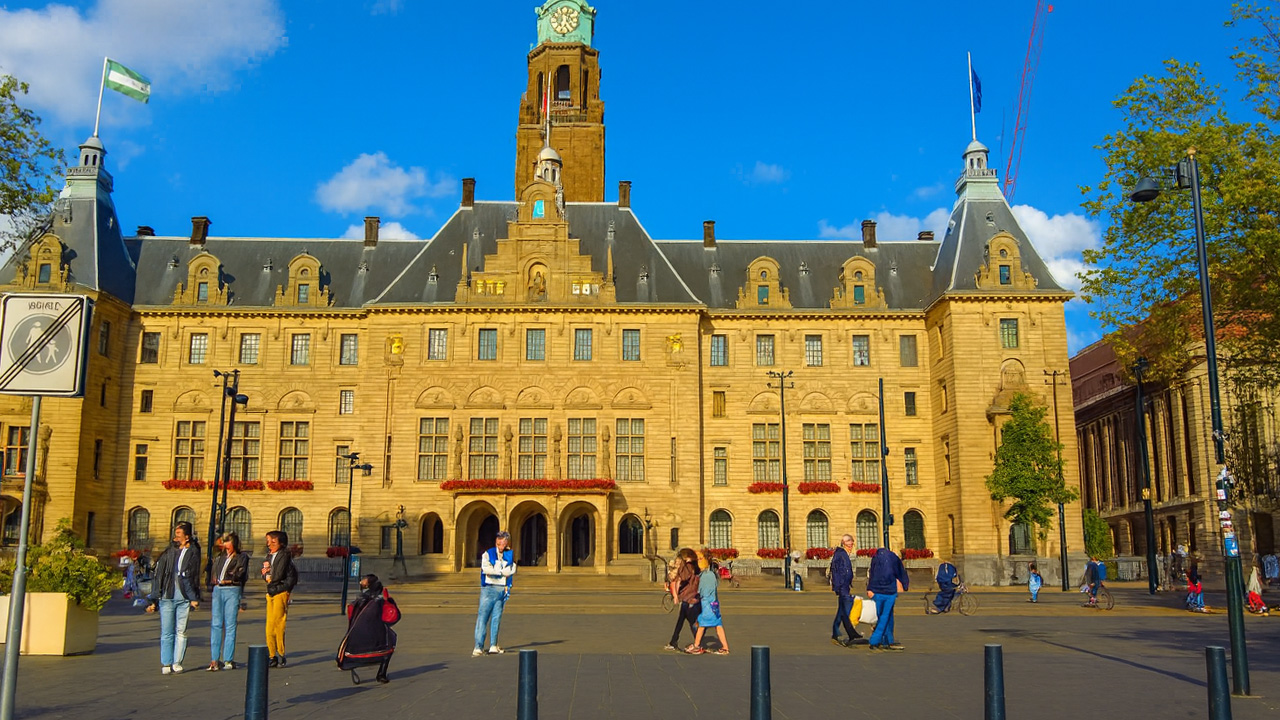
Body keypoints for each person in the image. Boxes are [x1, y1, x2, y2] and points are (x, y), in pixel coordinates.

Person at [145, 521, 203, 675]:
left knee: (181, 631)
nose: (175, 537)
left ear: (187, 536)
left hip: (184, 597)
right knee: (167, 631)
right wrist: (154, 599)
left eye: (178, 534)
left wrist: (194, 597)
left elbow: (194, 576)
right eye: (175, 534)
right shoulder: (169, 552)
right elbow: (159, 576)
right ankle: (166, 662)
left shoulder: (193, 552)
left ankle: (177, 662)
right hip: (167, 596)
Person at [338, 574, 397, 683]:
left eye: (363, 581)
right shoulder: (380, 598)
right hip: (376, 633)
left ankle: (351, 663)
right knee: (390, 641)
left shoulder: (362, 598)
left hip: (361, 633)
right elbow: (392, 615)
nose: (361, 582)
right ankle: (381, 674)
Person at [209, 532, 248, 671]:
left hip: (232, 589)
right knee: (216, 624)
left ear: (234, 544)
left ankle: (228, 659)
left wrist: (230, 579)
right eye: (224, 542)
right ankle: (214, 660)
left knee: (230, 624)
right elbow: (213, 572)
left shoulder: (241, 557)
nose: (224, 545)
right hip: (218, 590)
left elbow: (240, 573)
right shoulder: (219, 557)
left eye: (227, 542)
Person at [474, 530, 516, 656]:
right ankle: (478, 646)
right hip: (489, 588)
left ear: (507, 542)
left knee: (496, 617)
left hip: (501, 589)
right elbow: (486, 569)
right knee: (483, 617)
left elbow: (512, 569)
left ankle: (493, 645)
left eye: (503, 542)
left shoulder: (509, 554)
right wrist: (500, 571)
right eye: (499, 542)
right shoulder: (488, 553)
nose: (501, 545)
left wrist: (499, 571)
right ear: (496, 542)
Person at [261, 530, 298, 667]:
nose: (269, 544)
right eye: (268, 541)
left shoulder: (284, 556)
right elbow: (266, 573)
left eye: (273, 541)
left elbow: (278, 575)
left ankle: (281, 653)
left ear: (281, 543)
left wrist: (270, 578)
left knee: (278, 624)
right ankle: (272, 655)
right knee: (269, 626)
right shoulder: (269, 556)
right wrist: (266, 576)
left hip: (280, 592)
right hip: (271, 592)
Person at [687, 550, 730, 655]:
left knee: (702, 624)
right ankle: (725, 647)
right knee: (716, 625)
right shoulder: (708, 574)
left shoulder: (707, 575)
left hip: (708, 604)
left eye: (700, 559)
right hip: (713, 604)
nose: (698, 561)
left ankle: (697, 646)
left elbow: (703, 591)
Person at [866, 547, 908, 651]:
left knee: (884, 616)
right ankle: (874, 641)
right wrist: (905, 585)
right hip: (889, 591)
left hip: (876, 591)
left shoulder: (875, 558)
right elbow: (900, 572)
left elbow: (872, 573)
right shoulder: (893, 558)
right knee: (885, 617)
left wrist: (869, 589)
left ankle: (888, 640)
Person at [664, 548, 700, 652]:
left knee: (691, 621)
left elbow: (678, 580)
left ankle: (697, 643)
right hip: (690, 596)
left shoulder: (687, 567)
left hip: (688, 597)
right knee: (683, 621)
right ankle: (674, 641)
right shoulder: (693, 567)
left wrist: (675, 596)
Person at [829, 534, 860, 647]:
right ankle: (849, 633)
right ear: (844, 543)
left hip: (844, 587)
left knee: (842, 611)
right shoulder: (841, 555)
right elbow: (838, 573)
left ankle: (837, 633)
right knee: (846, 611)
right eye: (849, 542)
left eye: (852, 542)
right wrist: (839, 587)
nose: (851, 544)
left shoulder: (842, 554)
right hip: (843, 587)